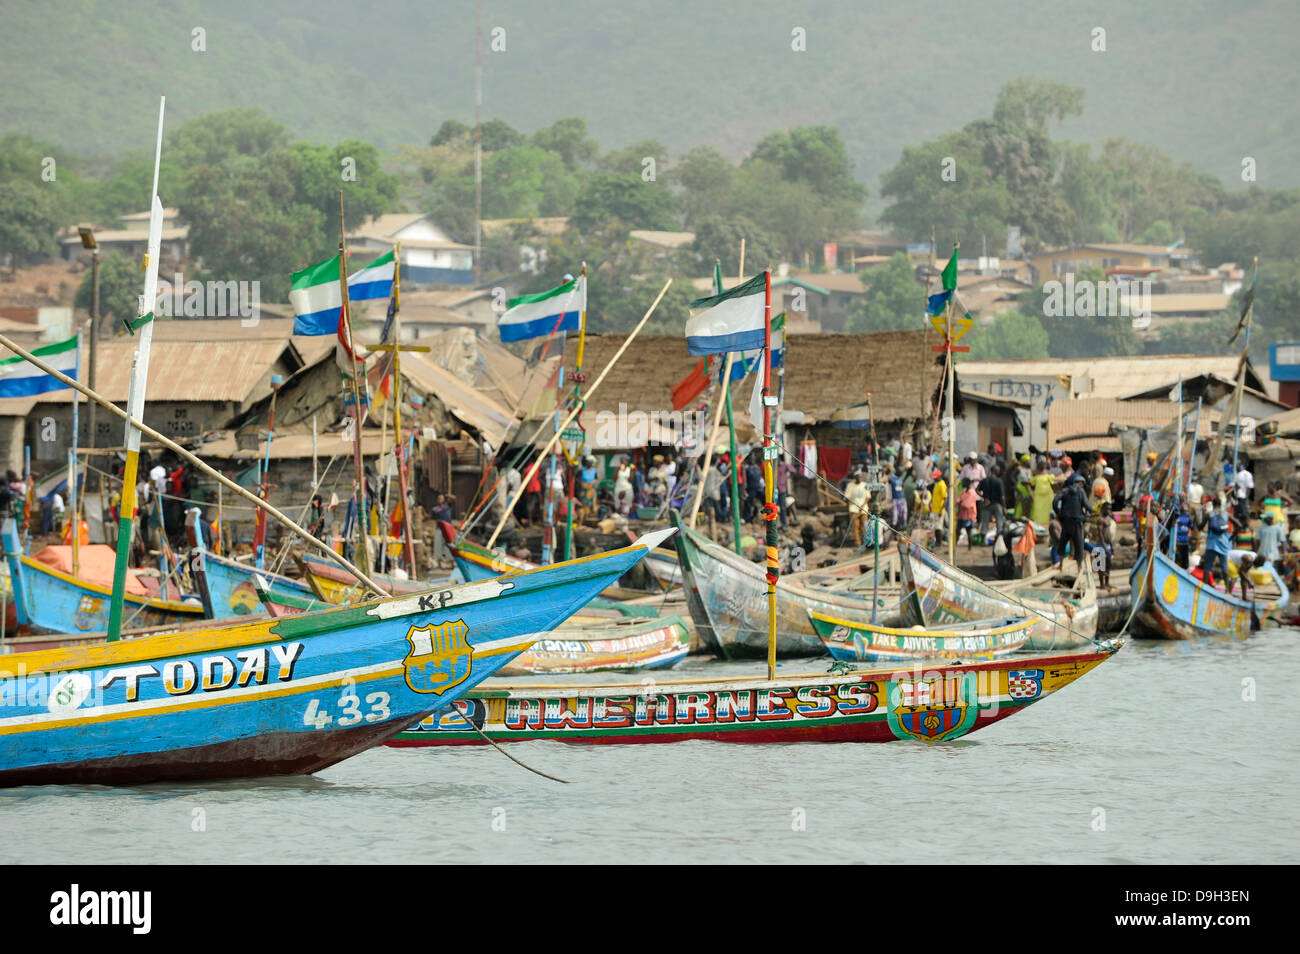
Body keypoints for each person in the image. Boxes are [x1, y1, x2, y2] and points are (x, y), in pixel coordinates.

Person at [1055, 473, 1089, 569]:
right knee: (1079, 544)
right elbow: (1086, 505)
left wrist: (1058, 512)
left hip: (1066, 521)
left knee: (1063, 542)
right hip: (1077, 522)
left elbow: (1055, 501)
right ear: (1080, 483)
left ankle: (1061, 565)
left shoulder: (1065, 491)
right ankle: (1079, 567)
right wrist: (1091, 511)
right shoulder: (1081, 492)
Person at [1202, 501, 1231, 588]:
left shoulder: (1209, 514)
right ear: (1221, 505)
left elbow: (1200, 526)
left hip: (1211, 543)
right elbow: (1239, 525)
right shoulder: (1226, 514)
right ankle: (1228, 590)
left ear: (1213, 505)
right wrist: (1230, 539)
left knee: (1207, 567)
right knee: (1224, 567)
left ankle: (1204, 589)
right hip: (1223, 543)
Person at [977, 468, 1006, 541]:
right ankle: (999, 539)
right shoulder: (999, 481)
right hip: (997, 504)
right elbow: (1002, 497)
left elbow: (976, 490)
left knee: (985, 521)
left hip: (987, 504)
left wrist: (983, 497)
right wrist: (1004, 507)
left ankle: (983, 540)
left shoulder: (984, 480)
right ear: (996, 471)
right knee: (999, 521)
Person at [1095, 502, 1117, 587]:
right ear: (1103, 509)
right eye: (1107, 509)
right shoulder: (1100, 519)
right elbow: (1101, 535)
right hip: (1101, 544)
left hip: (1108, 543)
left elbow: (1109, 534)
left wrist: (1112, 546)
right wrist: (1105, 548)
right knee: (1101, 566)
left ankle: (1107, 583)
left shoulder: (1108, 518)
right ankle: (1102, 584)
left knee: (1109, 565)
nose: (1108, 510)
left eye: (1110, 509)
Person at [846, 470, 869, 545]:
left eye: (861, 477)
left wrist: (862, 505)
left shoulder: (865, 485)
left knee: (865, 526)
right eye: (858, 477)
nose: (860, 478)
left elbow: (868, 497)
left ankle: (866, 541)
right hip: (853, 509)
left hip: (863, 509)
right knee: (855, 527)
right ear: (855, 477)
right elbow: (847, 497)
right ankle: (858, 542)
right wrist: (854, 504)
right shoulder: (850, 485)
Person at [1029, 462, 1056, 527]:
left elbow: (1032, 482)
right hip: (1040, 497)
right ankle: (1040, 525)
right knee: (1039, 510)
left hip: (1046, 496)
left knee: (1046, 511)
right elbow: (1032, 482)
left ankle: (1045, 524)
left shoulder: (1045, 475)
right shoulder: (1039, 475)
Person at [956, 478, 978, 548]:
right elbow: (958, 500)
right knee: (958, 529)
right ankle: (955, 545)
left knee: (968, 530)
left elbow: (967, 504)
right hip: (962, 514)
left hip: (969, 514)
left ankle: (970, 546)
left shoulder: (971, 492)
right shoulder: (964, 491)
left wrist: (960, 502)